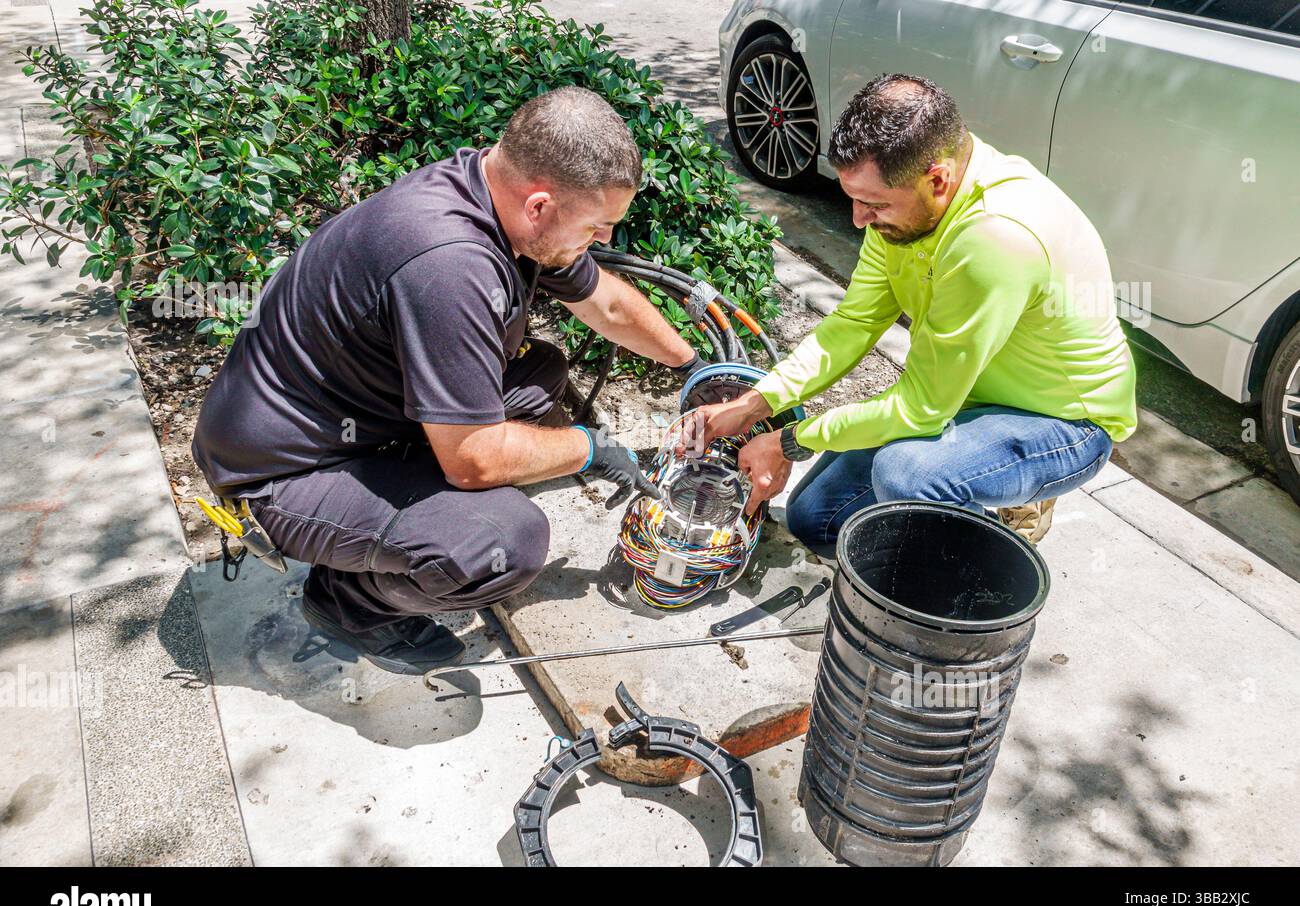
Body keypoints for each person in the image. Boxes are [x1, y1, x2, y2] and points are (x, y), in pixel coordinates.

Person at [193, 86, 706, 673]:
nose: (605, 239)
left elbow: (607, 305)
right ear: (539, 206)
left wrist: (691, 367)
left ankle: (404, 509)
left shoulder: (488, 188)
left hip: (350, 415)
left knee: (540, 373)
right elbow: (474, 463)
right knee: (506, 542)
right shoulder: (450, 264)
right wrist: (590, 447)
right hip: (283, 470)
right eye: (597, 225)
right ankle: (348, 603)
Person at [683, 73, 1137, 559]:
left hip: (1061, 422)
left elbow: (922, 409)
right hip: (962, 394)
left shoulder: (995, 237)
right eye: (853, 198)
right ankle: (950, 514)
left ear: (937, 179)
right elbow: (854, 324)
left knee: (907, 476)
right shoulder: (911, 211)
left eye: (873, 204)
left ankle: (984, 572)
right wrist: (756, 403)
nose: (858, 219)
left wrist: (789, 441)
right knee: (817, 520)